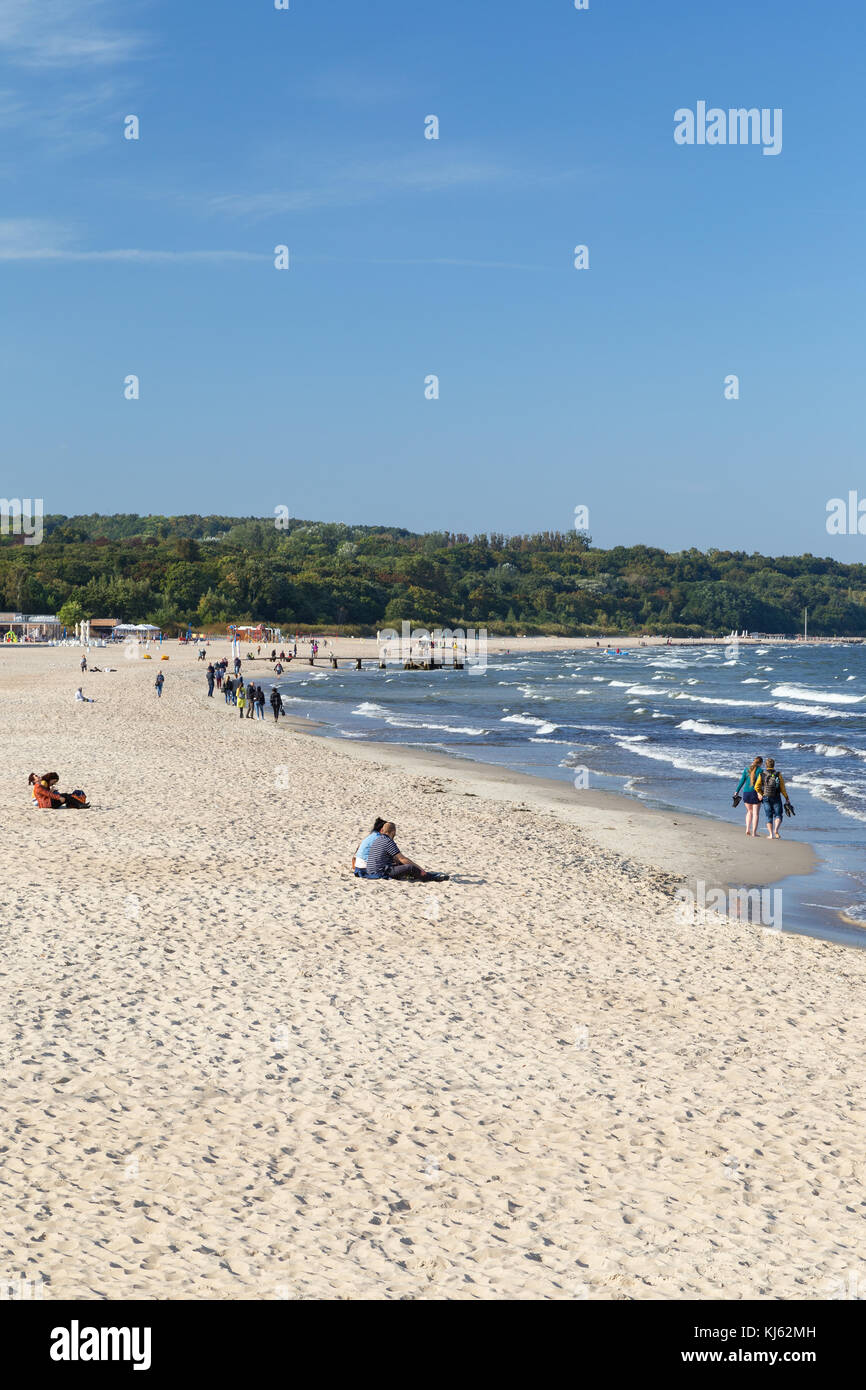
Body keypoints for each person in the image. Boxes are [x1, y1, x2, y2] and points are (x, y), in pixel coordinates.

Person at [363, 822, 449, 881]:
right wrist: (420, 868)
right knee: (409, 867)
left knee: (401, 864)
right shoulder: (388, 841)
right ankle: (429, 877)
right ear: (393, 832)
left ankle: (422, 874)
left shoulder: (378, 839)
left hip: (371, 870)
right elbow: (402, 859)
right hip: (381, 872)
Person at [755, 758, 791, 840]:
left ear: (766, 765)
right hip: (776, 796)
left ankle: (771, 835)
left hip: (766, 797)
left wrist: (761, 793)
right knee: (778, 815)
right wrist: (786, 797)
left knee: (769, 816)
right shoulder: (778, 774)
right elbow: (782, 788)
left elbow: (756, 786)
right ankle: (776, 830)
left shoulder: (762, 774)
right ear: (773, 765)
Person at [733, 755, 763, 837]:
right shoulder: (760, 771)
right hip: (755, 793)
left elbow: (742, 781)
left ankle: (747, 829)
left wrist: (737, 791)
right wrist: (761, 793)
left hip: (746, 793)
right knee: (756, 814)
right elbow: (762, 784)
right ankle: (754, 833)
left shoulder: (746, 769)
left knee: (749, 811)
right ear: (760, 763)